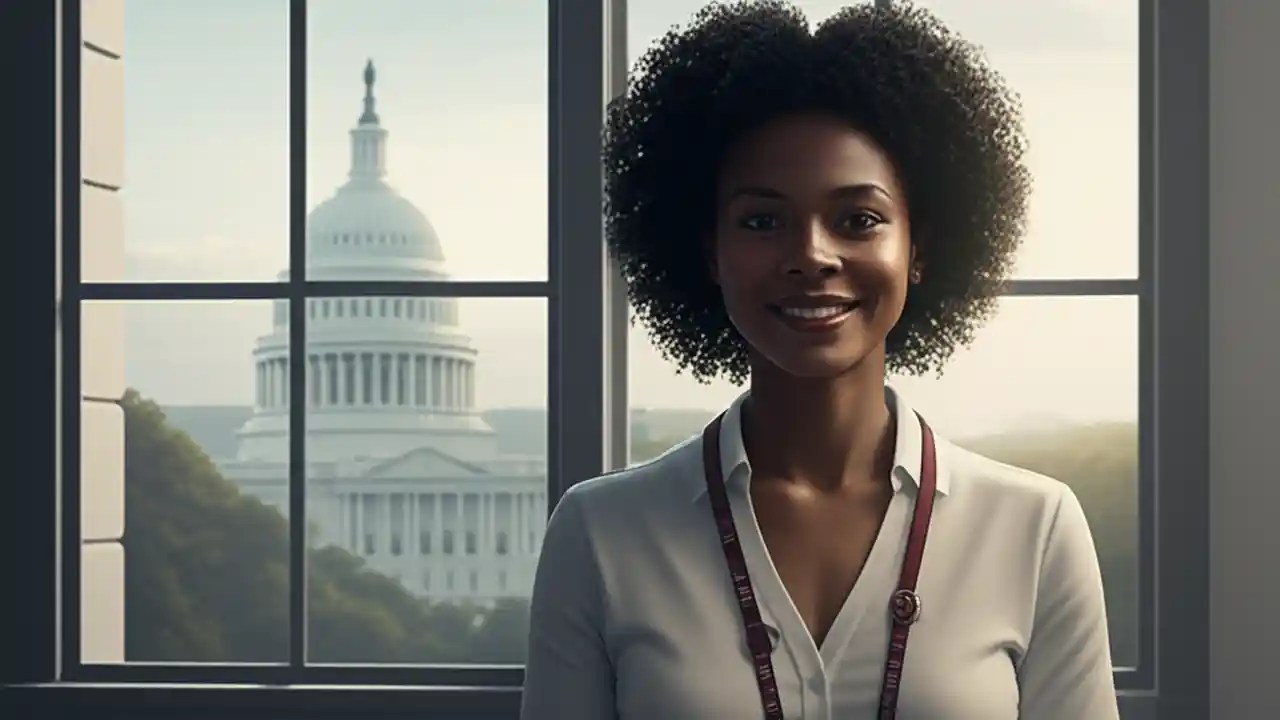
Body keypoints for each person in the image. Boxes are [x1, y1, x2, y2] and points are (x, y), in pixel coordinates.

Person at [520, 1, 1120, 718]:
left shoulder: (1035, 527)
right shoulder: (600, 533)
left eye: (858, 219)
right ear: (708, 251)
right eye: (762, 221)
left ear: (919, 247)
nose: (811, 254)